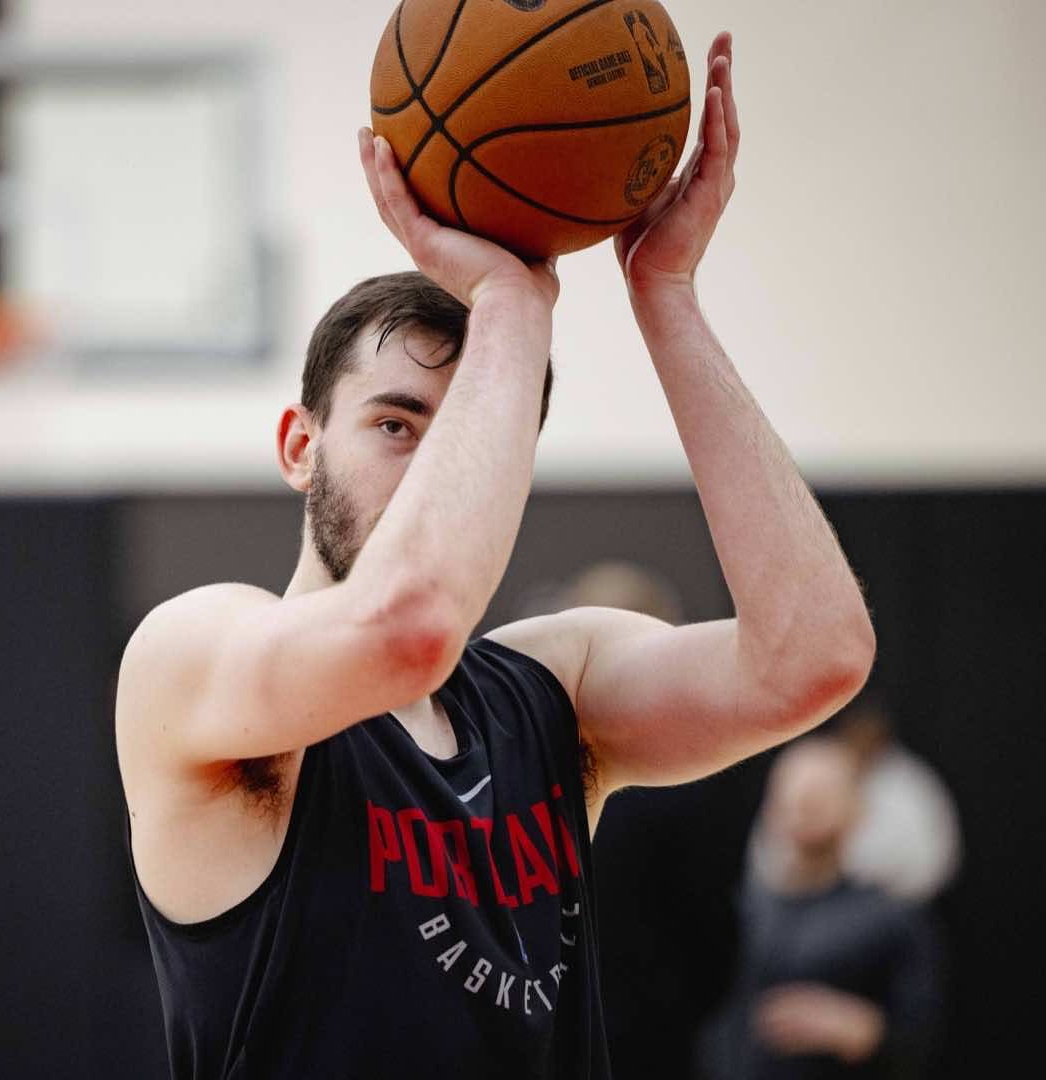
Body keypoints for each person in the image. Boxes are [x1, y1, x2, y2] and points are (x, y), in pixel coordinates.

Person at [115, 34, 875, 1079]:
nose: (432, 470)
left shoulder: (551, 691)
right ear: (301, 447)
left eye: (463, 440)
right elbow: (406, 631)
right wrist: (513, 307)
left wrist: (669, 296)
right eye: (394, 425)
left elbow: (815, 656)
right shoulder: (193, 655)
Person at [698, 738, 942, 1079]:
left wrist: (861, 1030)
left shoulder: (892, 919)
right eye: (793, 790)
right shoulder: (735, 911)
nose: (805, 800)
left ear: (858, 808)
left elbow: (921, 1037)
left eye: (824, 792)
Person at [747, 701, 962, 904]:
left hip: (886, 902)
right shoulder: (814, 766)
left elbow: (931, 863)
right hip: (798, 899)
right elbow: (768, 857)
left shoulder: (907, 786)